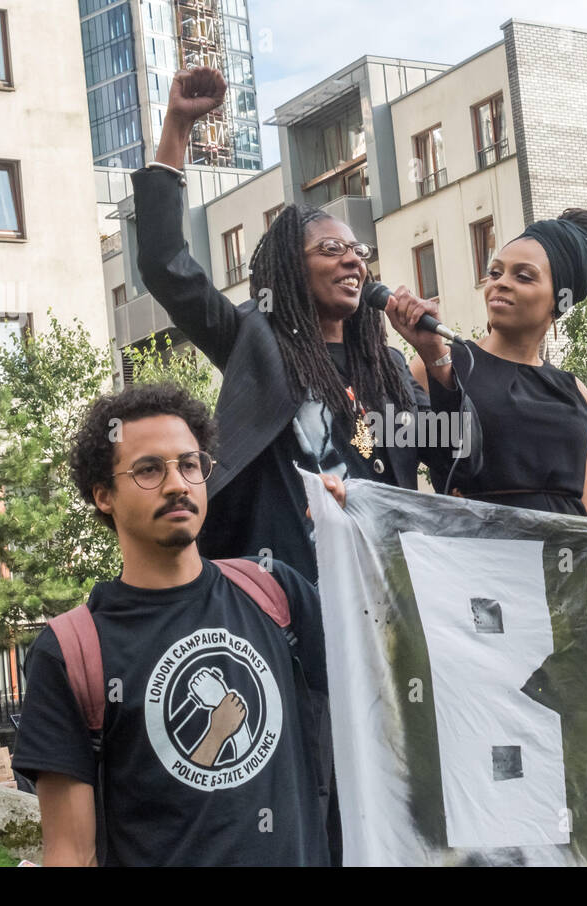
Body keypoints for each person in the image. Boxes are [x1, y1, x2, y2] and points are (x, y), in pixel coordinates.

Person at [131, 66, 481, 581]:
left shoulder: (385, 366)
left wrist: (435, 357)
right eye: (331, 249)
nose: (353, 261)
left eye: (358, 251)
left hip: (387, 582)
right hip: (286, 585)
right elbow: (165, 263)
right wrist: (178, 128)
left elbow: (457, 459)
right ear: (291, 269)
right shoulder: (254, 339)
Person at [12, 384, 331, 866]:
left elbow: (391, 670)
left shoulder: (274, 592)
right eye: (148, 470)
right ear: (104, 496)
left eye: (189, 464)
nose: (178, 483)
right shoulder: (72, 650)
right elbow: (71, 854)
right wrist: (217, 732)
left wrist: (358, 534)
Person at [409, 209, 587, 515]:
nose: (500, 283)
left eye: (524, 276)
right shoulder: (439, 364)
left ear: (560, 298)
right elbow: (385, 458)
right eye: (495, 273)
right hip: (478, 555)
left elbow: (583, 503)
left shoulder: (576, 393)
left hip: (562, 558)